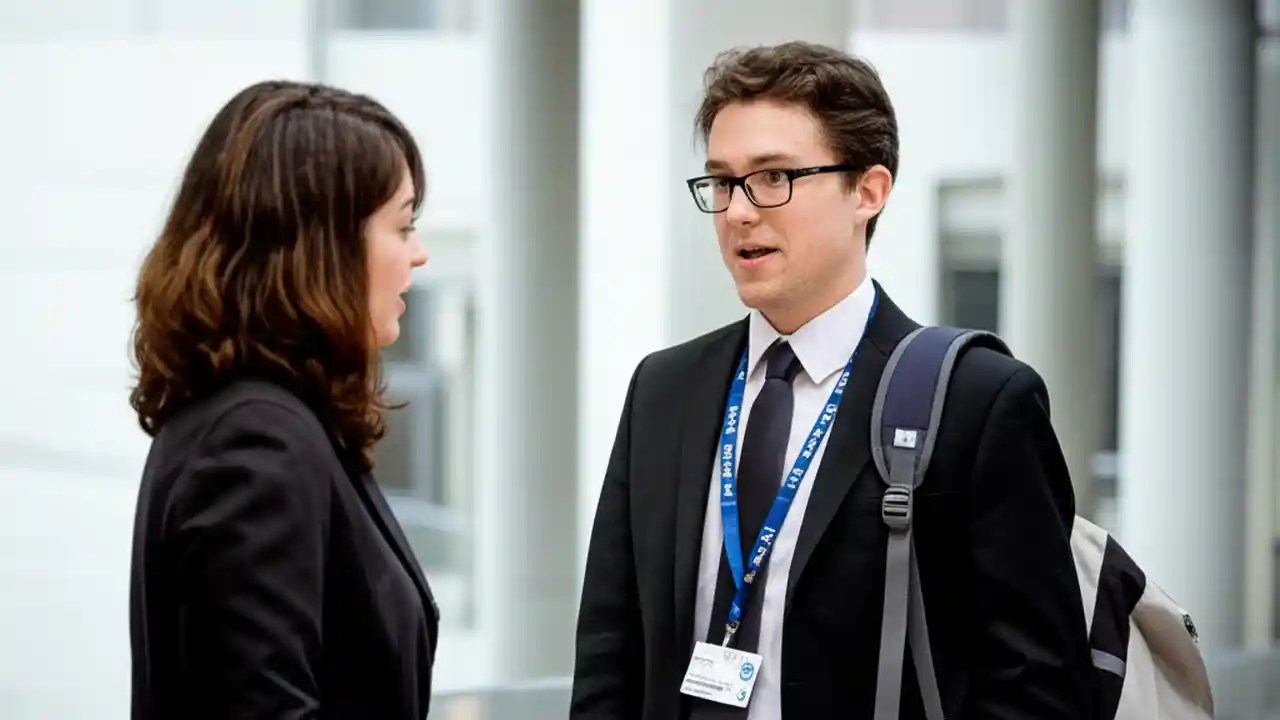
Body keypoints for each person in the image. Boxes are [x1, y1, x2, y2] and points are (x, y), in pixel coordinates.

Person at [571, 42, 1094, 719]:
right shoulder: (665, 391)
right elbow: (610, 655)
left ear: (868, 192)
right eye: (723, 182)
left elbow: (1039, 686)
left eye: (773, 178)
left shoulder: (975, 401)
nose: (737, 212)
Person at [128, 80, 436, 719]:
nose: (419, 253)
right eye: (402, 225)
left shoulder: (266, 421)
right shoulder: (257, 441)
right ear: (321, 247)